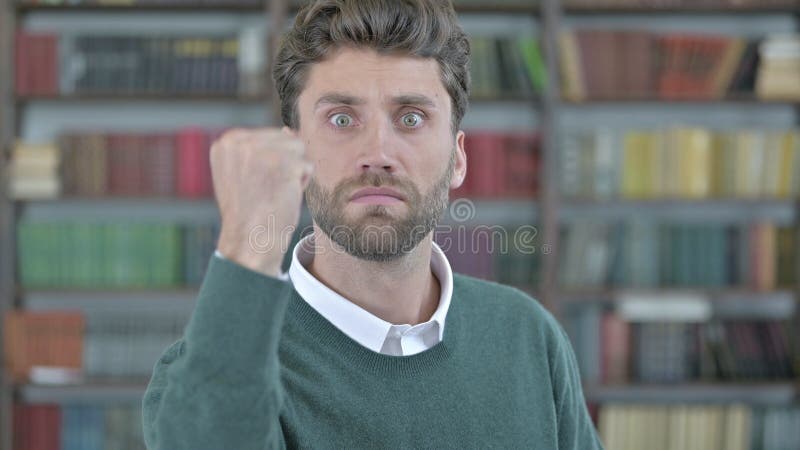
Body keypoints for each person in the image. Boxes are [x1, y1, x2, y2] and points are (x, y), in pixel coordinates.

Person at [142, 0, 604, 448]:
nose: (378, 154)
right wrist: (247, 248)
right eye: (342, 119)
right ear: (293, 154)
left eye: (411, 118)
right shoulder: (203, 377)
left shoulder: (528, 336)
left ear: (459, 158)